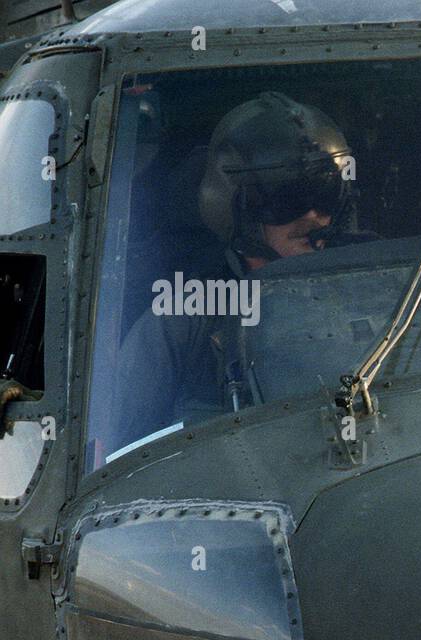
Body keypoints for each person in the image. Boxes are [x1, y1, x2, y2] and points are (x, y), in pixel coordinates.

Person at [113, 93, 355, 454]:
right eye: (287, 200)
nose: (312, 216)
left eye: (326, 195)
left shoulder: (386, 287)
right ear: (236, 207)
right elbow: (120, 455)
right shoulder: (185, 319)